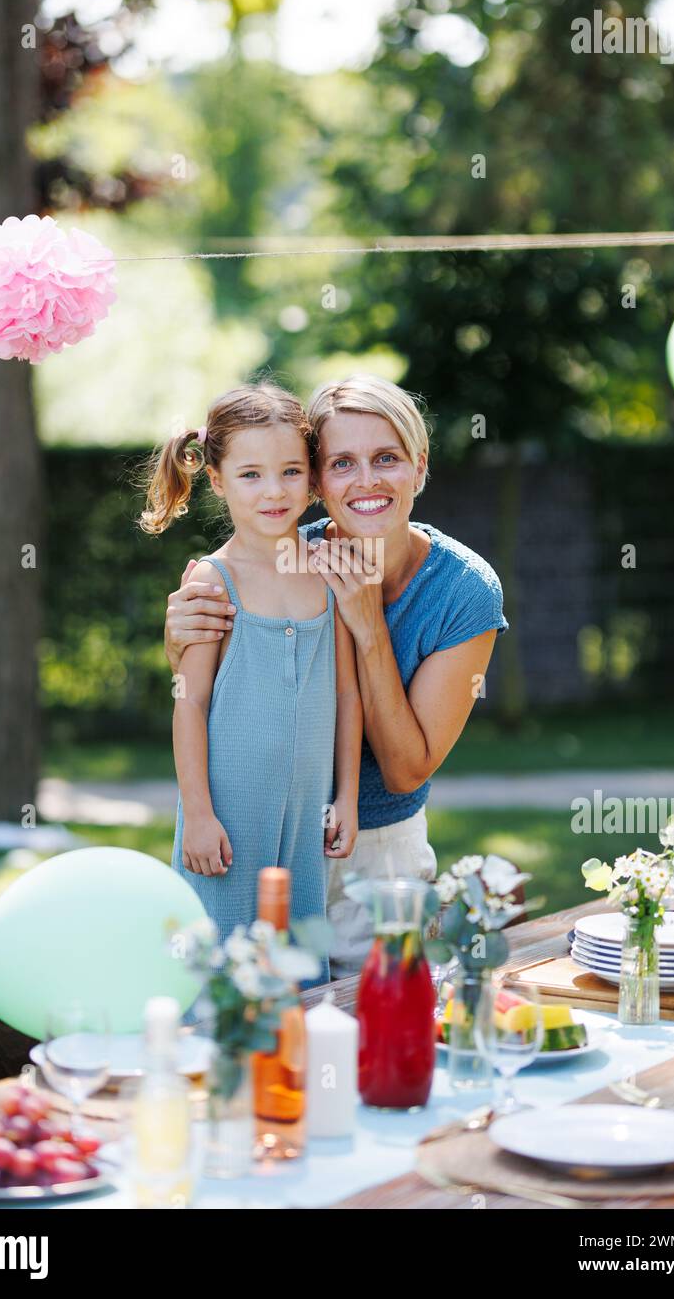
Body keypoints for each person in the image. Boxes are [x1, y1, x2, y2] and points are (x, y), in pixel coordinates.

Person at [164, 375, 507, 977]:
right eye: (343, 462)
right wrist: (180, 640)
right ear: (320, 480)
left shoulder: (463, 592)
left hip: (371, 851)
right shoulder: (297, 555)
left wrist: (369, 622)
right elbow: (213, 684)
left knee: (370, 1031)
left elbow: (404, 770)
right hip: (261, 834)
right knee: (248, 1009)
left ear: (420, 466)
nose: (367, 481)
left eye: (387, 459)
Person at [143, 382, 362, 984]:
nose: (275, 491)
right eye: (251, 475)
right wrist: (198, 813)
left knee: (297, 960)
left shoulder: (327, 570)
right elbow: (190, 703)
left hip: (306, 815)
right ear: (216, 480)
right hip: (228, 818)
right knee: (223, 962)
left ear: (312, 476)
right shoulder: (213, 580)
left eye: (292, 471)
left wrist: (345, 795)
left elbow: (347, 692)